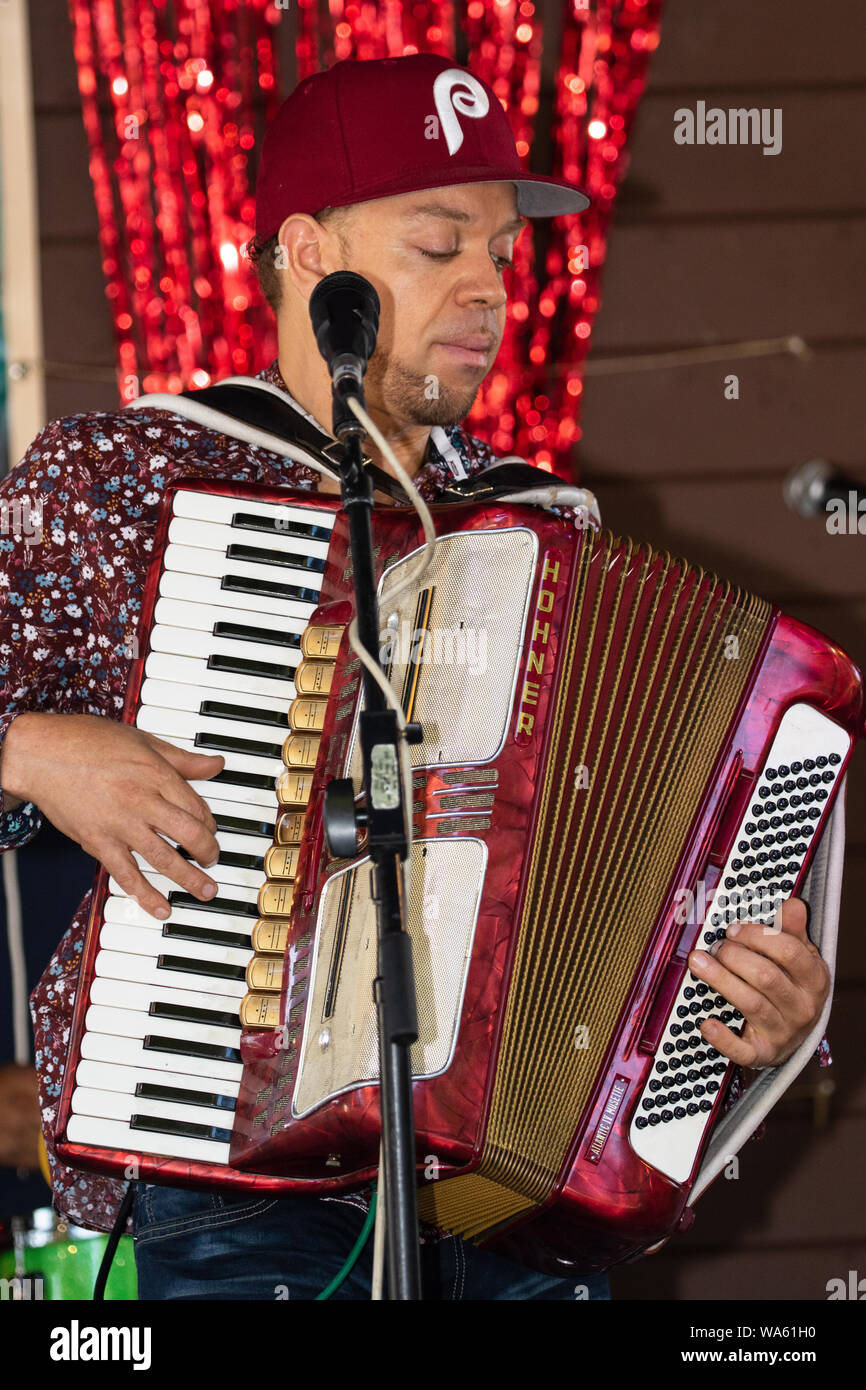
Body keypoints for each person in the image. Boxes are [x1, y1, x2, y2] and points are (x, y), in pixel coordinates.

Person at [0, 53, 829, 1300]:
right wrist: (31, 750)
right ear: (302, 251)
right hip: (230, 1185)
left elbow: (624, 898)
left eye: (499, 252)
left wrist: (745, 1010)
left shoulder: (541, 531)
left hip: (502, 1201)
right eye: (438, 242)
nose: (487, 289)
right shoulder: (119, 477)